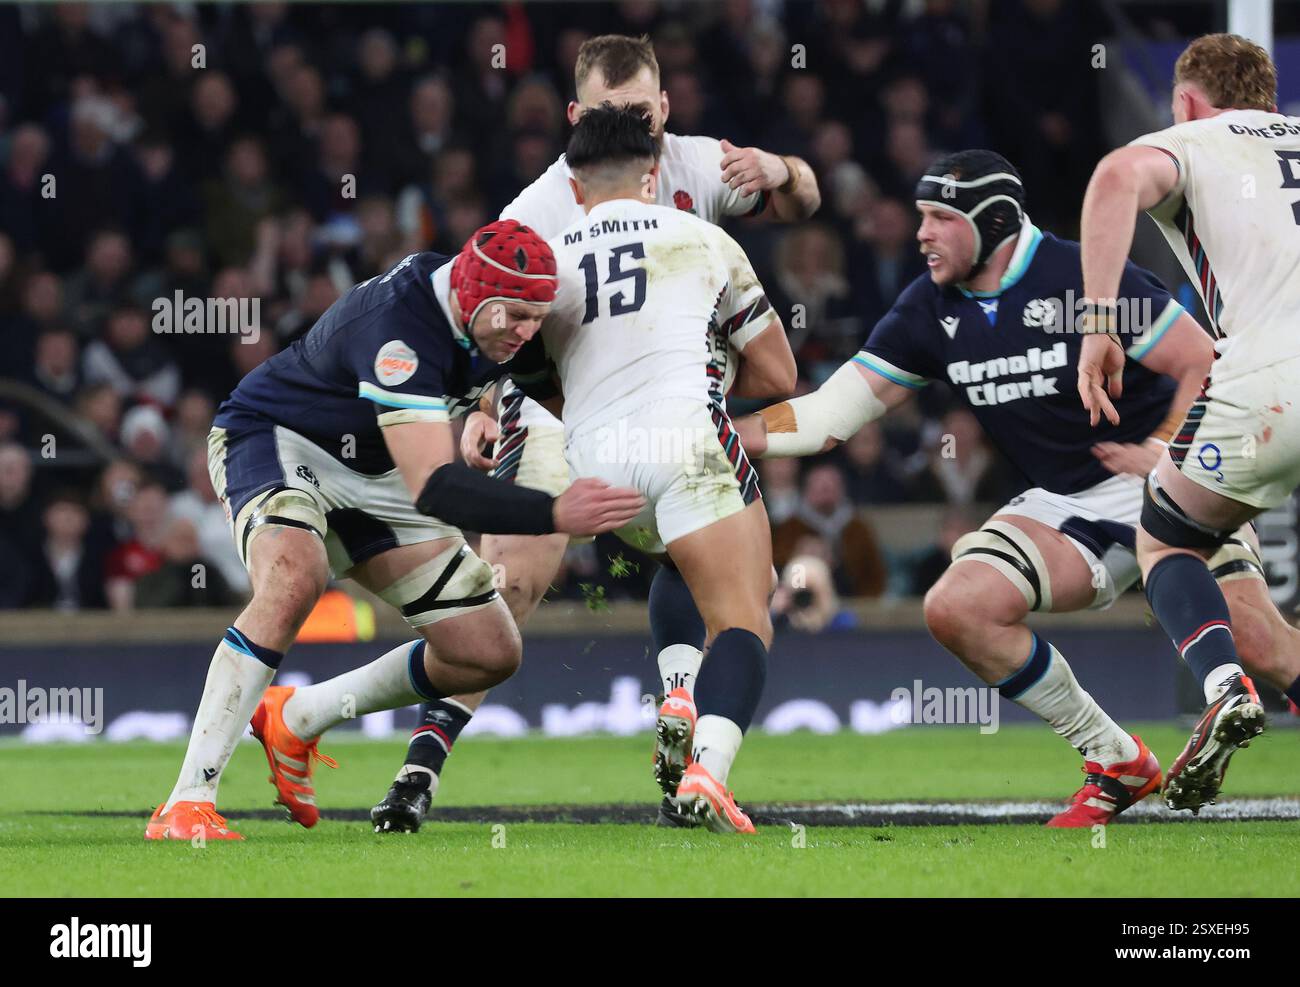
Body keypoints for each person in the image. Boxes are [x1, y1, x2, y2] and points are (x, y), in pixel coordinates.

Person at [738, 149, 1300, 827]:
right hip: (1068, 500)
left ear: (993, 219)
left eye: (941, 217)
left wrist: (1161, 452)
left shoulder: (1076, 275)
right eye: (921, 216)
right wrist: (723, 432)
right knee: (958, 605)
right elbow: (827, 417)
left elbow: (1200, 363)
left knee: (1262, 645)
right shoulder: (927, 308)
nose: (922, 234)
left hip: (1172, 476)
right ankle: (1114, 758)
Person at [371, 32, 819, 832]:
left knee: (670, 539)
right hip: (582, 401)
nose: (632, 126)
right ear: (578, 118)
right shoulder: (536, 209)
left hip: (602, 420)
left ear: (663, 110)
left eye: (641, 112)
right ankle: (422, 765)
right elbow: (495, 332)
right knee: (516, 580)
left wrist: (784, 170)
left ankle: (677, 688)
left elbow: (806, 199)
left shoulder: (707, 163)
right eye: (614, 116)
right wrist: (481, 407)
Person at [145, 220, 644, 841]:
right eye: (516, 318)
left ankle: (297, 717)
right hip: (282, 440)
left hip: (381, 473)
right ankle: (188, 801)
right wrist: (553, 513)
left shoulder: (485, 311)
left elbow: (487, 380)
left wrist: (483, 410)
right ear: (475, 299)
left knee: (489, 652)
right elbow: (436, 486)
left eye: (536, 319)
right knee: (296, 576)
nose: (527, 334)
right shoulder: (397, 331)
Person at [539, 105, 795, 831]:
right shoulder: (702, 238)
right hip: (686, 437)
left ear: (576, 183)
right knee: (746, 608)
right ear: (653, 176)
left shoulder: (550, 256)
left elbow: (531, 380)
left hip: (596, 465)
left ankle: (678, 687)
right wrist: (711, 365)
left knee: (676, 559)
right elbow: (780, 375)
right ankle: (708, 775)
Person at [1076, 34, 1300, 813]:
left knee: (1168, 536)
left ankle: (1223, 682)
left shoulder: (1192, 140)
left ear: (1185, 103)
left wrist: (1101, 323)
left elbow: (1113, 178)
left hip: (1274, 383)